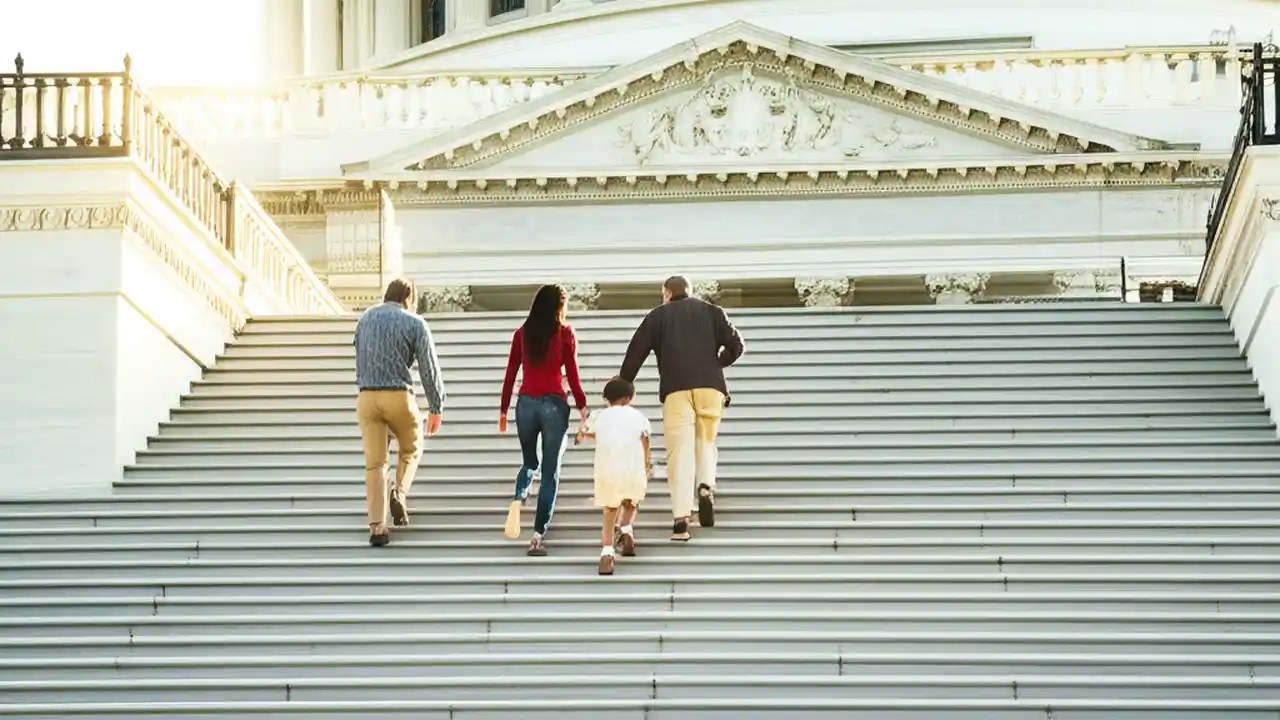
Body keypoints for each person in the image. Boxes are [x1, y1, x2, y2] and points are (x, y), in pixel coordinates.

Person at [619, 276, 744, 541]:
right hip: (710, 388)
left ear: (666, 292)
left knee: (680, 451)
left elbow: (636, 351)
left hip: (676, 388)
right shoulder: (713, 312)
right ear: (690, 291)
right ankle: (706, 486)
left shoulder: (657, 316)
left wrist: (624, 381)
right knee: (706, 442)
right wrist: (716, 364)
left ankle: (681, 520)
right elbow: (737, 345)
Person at [353, 278, 446, 547]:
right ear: (409, 298)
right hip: (399, 396)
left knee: (376, 463)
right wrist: (436, 406)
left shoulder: (365, 319)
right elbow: (429, 369)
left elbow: (359, 353)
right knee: (411, 447)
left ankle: (377, 528)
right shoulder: (415, 322)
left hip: (367, 396)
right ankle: (400, 493)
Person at [499, 284, 589, 556]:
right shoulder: (565, 333)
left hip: (525, 405)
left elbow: (510, 373)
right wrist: (583, 407)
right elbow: (572, 374)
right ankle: (537, 536)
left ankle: (519, 495)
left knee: (529, 462)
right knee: (550, 472)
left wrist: (503, 410)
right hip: (553, 406)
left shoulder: (521, 334)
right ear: (559, 307)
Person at [577, 377, 652, 576]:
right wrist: (647, 464)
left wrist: (588, 435)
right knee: (631, 502)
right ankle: (627, 530)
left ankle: (607, 555)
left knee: (610, 512)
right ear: (629, 398)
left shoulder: (599, 416)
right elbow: (645, 440)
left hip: (608, 470)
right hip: (633, 469)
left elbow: (583, 433)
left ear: (607, 398)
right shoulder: (638, 416)